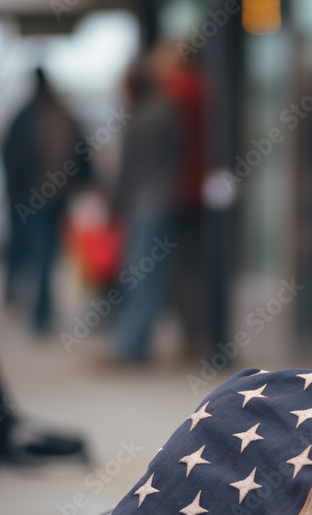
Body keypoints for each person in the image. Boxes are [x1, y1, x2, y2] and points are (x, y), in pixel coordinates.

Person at [106, 55, 182, 362]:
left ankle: (132, 343)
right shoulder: (161, 110)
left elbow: (128, 167)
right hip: (157, 201)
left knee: (142, 275)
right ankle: (134, 340)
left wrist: (114, 203)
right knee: (147, 275)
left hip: (146, 203)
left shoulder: (144, 115)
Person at [2, 67, 88, 333]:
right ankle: (42, 311)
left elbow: (9, 158)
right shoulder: (64, 116)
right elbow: (83, 155)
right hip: (55, 200)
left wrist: (13, 194)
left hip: (32, 200)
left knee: (36, 255)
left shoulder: (25, 118)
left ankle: (39, 312)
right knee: (46, 257)